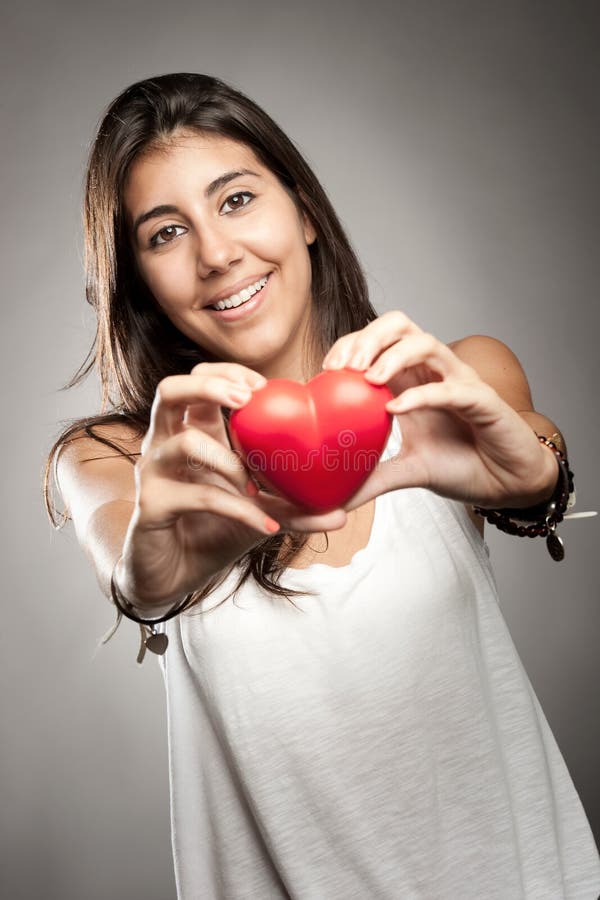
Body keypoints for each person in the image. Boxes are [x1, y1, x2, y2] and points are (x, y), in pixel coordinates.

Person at [44, 73, 600, 899]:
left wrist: (539, 481)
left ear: (304, 213)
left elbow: (536, 451)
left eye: (236, 200)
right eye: (165, 233)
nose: (216, 253)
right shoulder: (117, 458)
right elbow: (135, 571)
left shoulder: (451, 388)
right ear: (138, 279)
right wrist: (176, 554)